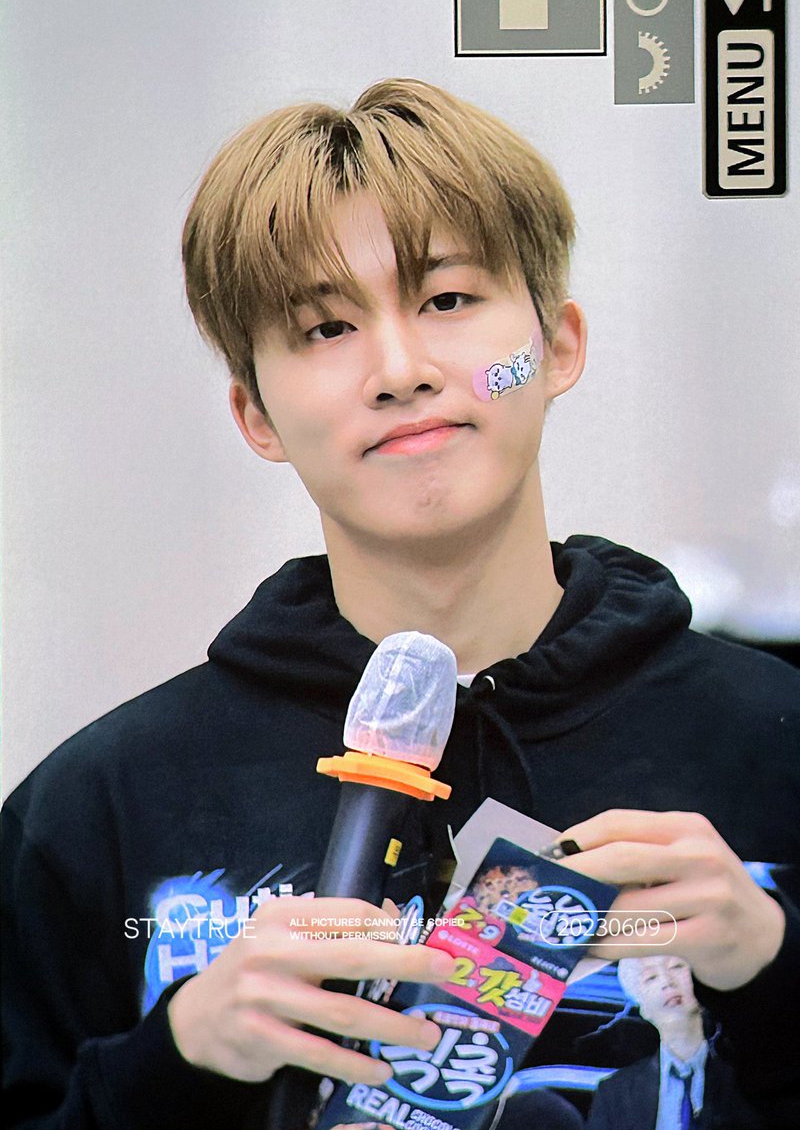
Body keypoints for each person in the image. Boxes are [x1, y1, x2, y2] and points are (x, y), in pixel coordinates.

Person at [2, 78, 798, 1130]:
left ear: (558, 344)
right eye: (325, 327)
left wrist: (778, 970)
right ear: (255, 414)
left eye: (448, 301)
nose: (398, 369)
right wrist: (175, 1061)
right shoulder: (96, 809)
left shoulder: (771, 743)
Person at [586, 954, 762, 1129]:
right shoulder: (615, 1093)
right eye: (651, 977)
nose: (667, 982)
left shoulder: (748, 1082)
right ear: (643, 1010)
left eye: (677, 967)